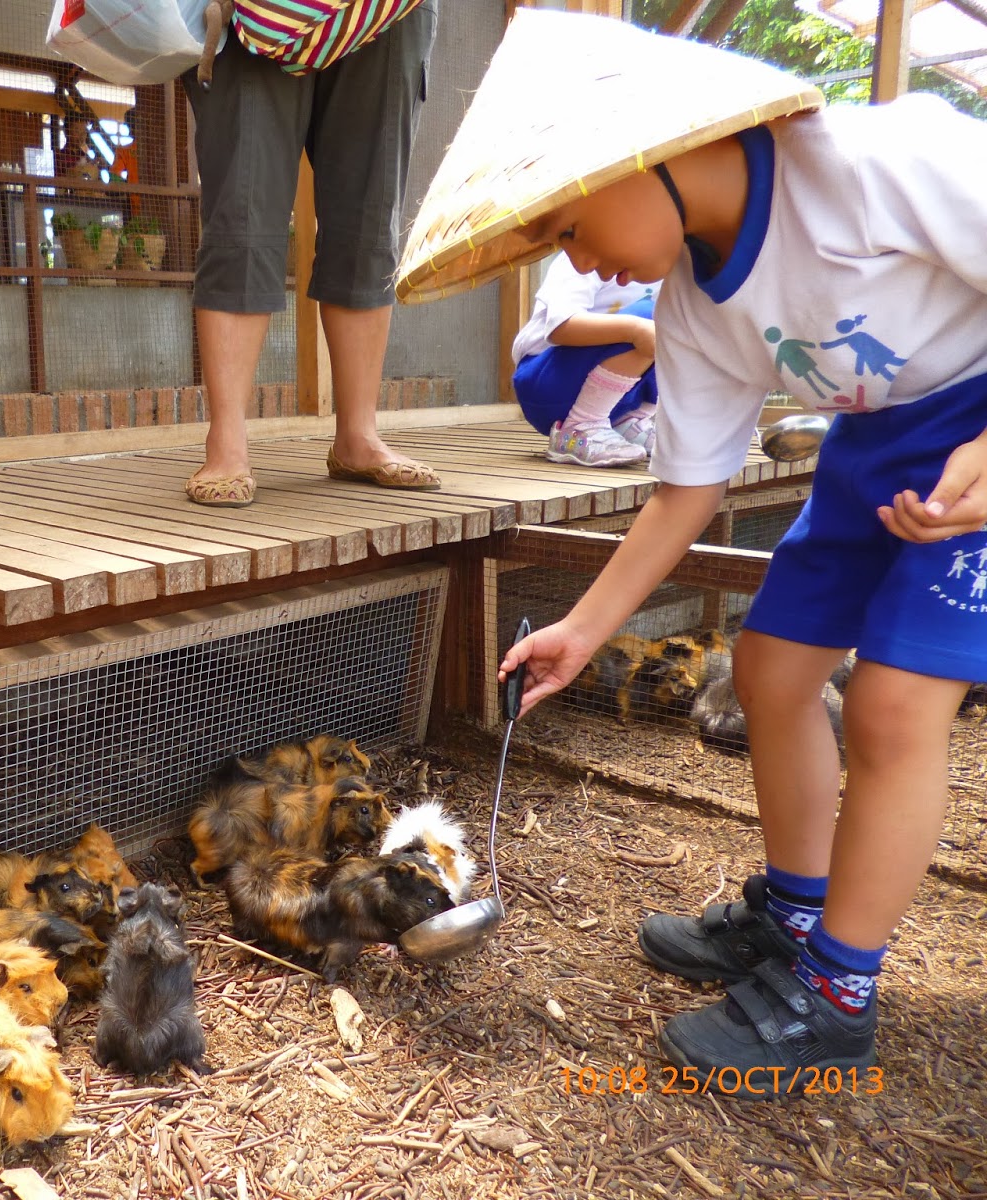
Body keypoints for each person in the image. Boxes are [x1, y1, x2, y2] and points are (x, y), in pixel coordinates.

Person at [398, 11, 987, 1092]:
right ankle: (796, 918)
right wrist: (582, 630)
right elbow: (687, 492)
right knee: (769, 673)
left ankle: (836, 995)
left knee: (893, 707)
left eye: (570, 224)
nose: (578, 260)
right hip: (870, 456)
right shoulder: (694, 307)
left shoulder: (878, 165)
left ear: (644, 151)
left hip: (976, 439)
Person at [182, 2, 442, 507]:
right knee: (244, 205)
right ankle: (227, 441)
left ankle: (358, 435)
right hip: (255, 11)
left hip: (388, 10)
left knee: (369, 214)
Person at [511, 254, 661, 468]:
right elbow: (560, 327)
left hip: (620, 401)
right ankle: (581, 424)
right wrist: (635, 330)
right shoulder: (586, 253)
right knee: (650, 317)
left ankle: (628, 422)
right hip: (547, 384)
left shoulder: (672, 267)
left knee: (680, 320)